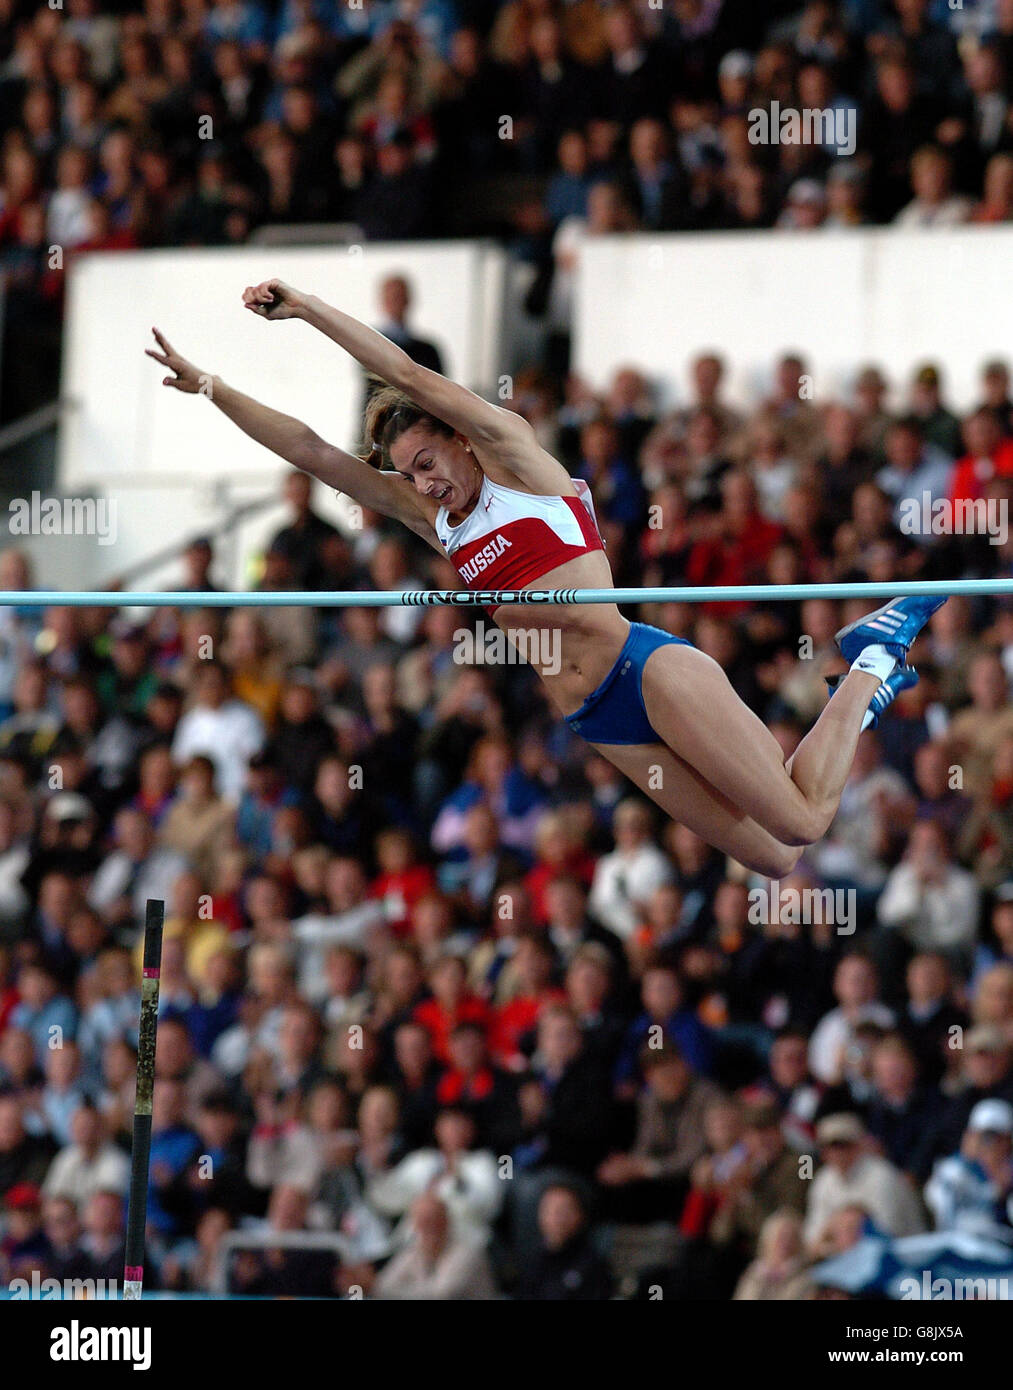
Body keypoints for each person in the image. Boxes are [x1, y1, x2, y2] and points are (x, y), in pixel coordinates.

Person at [145, 283, 948, 876]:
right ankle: (867, 677)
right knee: (771, 860)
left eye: (427, 462)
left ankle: (868, 666)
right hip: (597, 719)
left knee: (801, 822)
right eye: (407, 475)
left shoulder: (515, 459)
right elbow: (314, 453)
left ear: (460, 439)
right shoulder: (437, 522)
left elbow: (409, 375)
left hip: (644, 669)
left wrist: (309, 311)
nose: (422, 484)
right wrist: (212, 387)